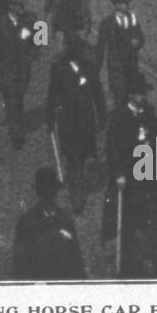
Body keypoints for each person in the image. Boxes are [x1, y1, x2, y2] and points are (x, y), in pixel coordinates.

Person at [102, 76, 157, 277]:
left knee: (156, 214)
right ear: (131, 95)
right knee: (126, 218)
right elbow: (112, 148)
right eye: (139, 93)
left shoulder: (149, 112)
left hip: (150, 172)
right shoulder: (119, 116)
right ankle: (126, 258)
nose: (143, 97)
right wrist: (118, 175)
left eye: (144, 93)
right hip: (128, 175)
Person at [45, 34, 106, 215]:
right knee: (74, 161)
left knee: (82, 156)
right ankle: (76, 196)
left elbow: (97, 92)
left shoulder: (88, 69)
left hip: (86, 120)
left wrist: (102, 116)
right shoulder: (59, 69)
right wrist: (49, 119)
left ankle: (76, 187)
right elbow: (52, 94)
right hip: (68, 121)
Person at [12, 167, 86, 280]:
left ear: (56, 193)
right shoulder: (27, 222)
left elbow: (75, 258)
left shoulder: (65, 220)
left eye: (51, 193)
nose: (49, 199)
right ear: (39, 194)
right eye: (45, 194)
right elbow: (20, 262)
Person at [0, 0, 39, 150]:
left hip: (23, 69)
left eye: (22, 4)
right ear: (10, 6)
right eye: (17, 4)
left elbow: (41, 36)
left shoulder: (30, 19)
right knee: (13, 101)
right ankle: (17, 137)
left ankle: (16, 121)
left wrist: (34, 51)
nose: (21, 7)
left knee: (18, 99)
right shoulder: (0, 23)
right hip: (6, 70)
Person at [96, 0, 145, 114]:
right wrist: (96, 69)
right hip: (116, 68)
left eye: (127, 3)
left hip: (131, 66)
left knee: (133, 98)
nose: (127, 5)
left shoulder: (132, 19)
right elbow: (100, 48)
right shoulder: (107, 23)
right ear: (116, 4)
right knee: (119, 97)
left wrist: (137, 42)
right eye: (124, 3)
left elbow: (141, 38)